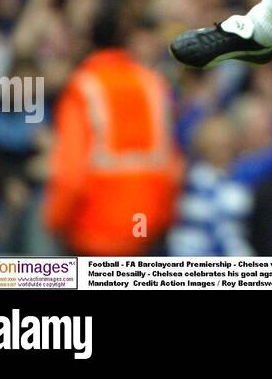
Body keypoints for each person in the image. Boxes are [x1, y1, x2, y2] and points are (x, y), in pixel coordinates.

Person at [43, 15, 182, 256]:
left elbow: (71, 175)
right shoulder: (153, 85)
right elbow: (173, 165)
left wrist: (54, 222)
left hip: (92, 235)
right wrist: (163, 221)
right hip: (146, 234)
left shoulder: (82, 88)